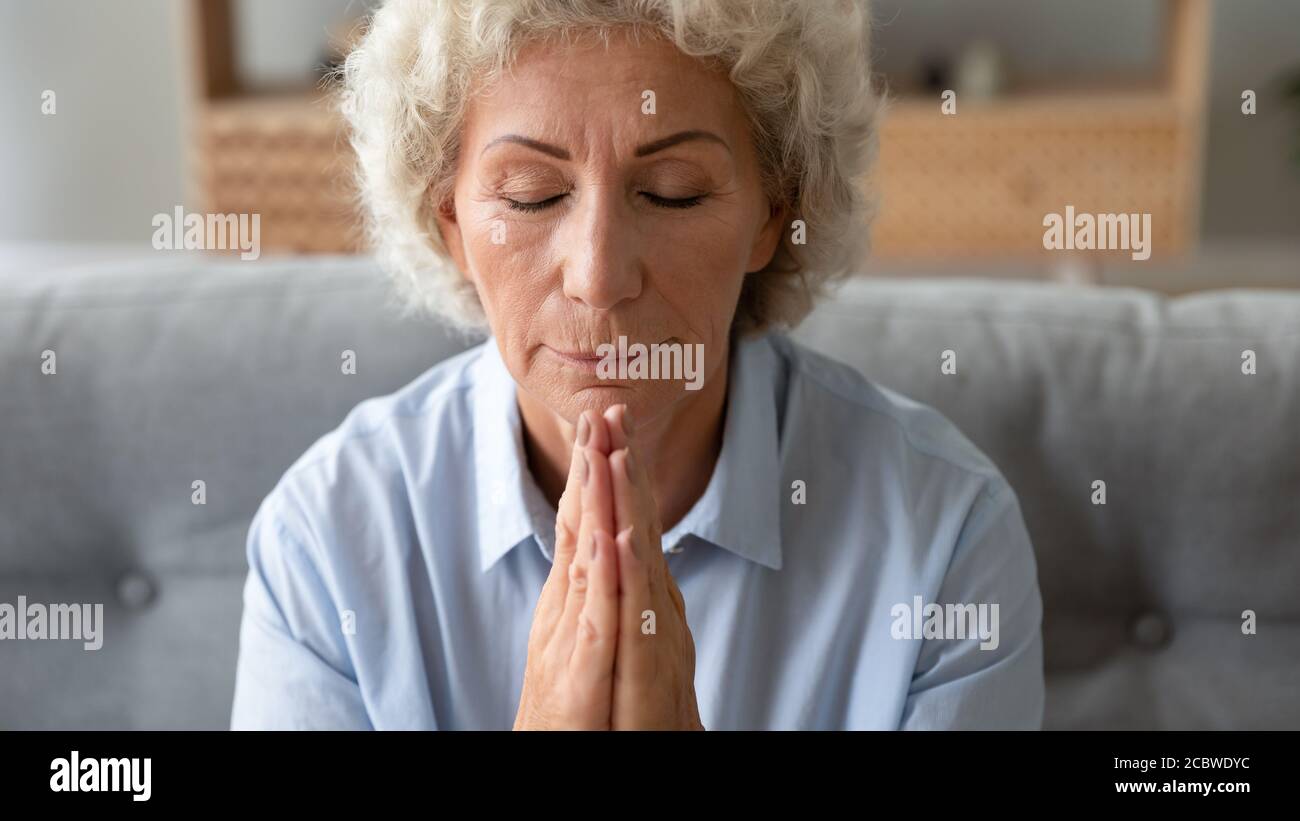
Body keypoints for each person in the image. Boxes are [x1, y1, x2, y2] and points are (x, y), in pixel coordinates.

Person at [230, 0, 1043, 730]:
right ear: (451, 223)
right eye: (530, 195)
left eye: (674, 192)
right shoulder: (328, 541)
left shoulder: (946, 535)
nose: (599, 274)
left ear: (773, 214)